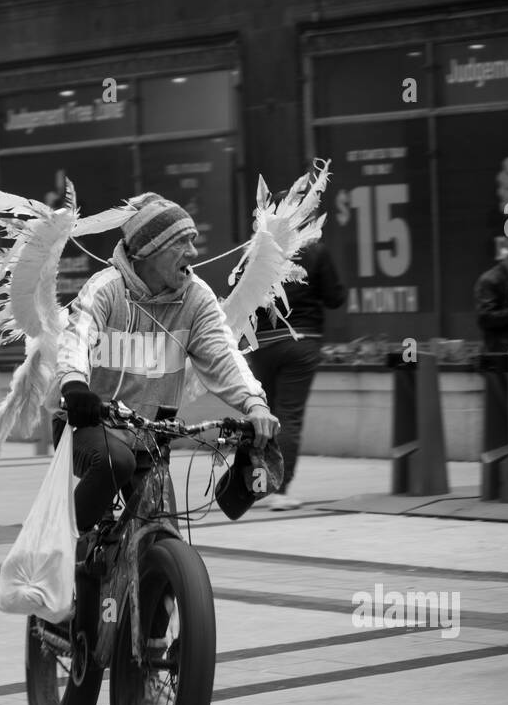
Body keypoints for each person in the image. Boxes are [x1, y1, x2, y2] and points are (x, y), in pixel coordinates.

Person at [54, 193, 280, 536]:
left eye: (193, 240)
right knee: (117, 462)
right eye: (181, 242)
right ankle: (64, 541)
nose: (193, 252)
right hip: (88, 427)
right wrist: (74, 384)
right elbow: (76, 337)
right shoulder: (105, 290)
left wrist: (254, 403)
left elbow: (223, 353)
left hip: (149, 436)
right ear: (149, 250)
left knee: (162, 533)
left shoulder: (196, 298)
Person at [240, 237, 347, 510]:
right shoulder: (315, 251)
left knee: (263, 413)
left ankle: (257, 487)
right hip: (301, 341)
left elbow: (239, 294)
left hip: (261, 343)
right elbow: (335, 298)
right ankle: (278, 490)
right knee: (289, 416)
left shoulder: (256, 250)